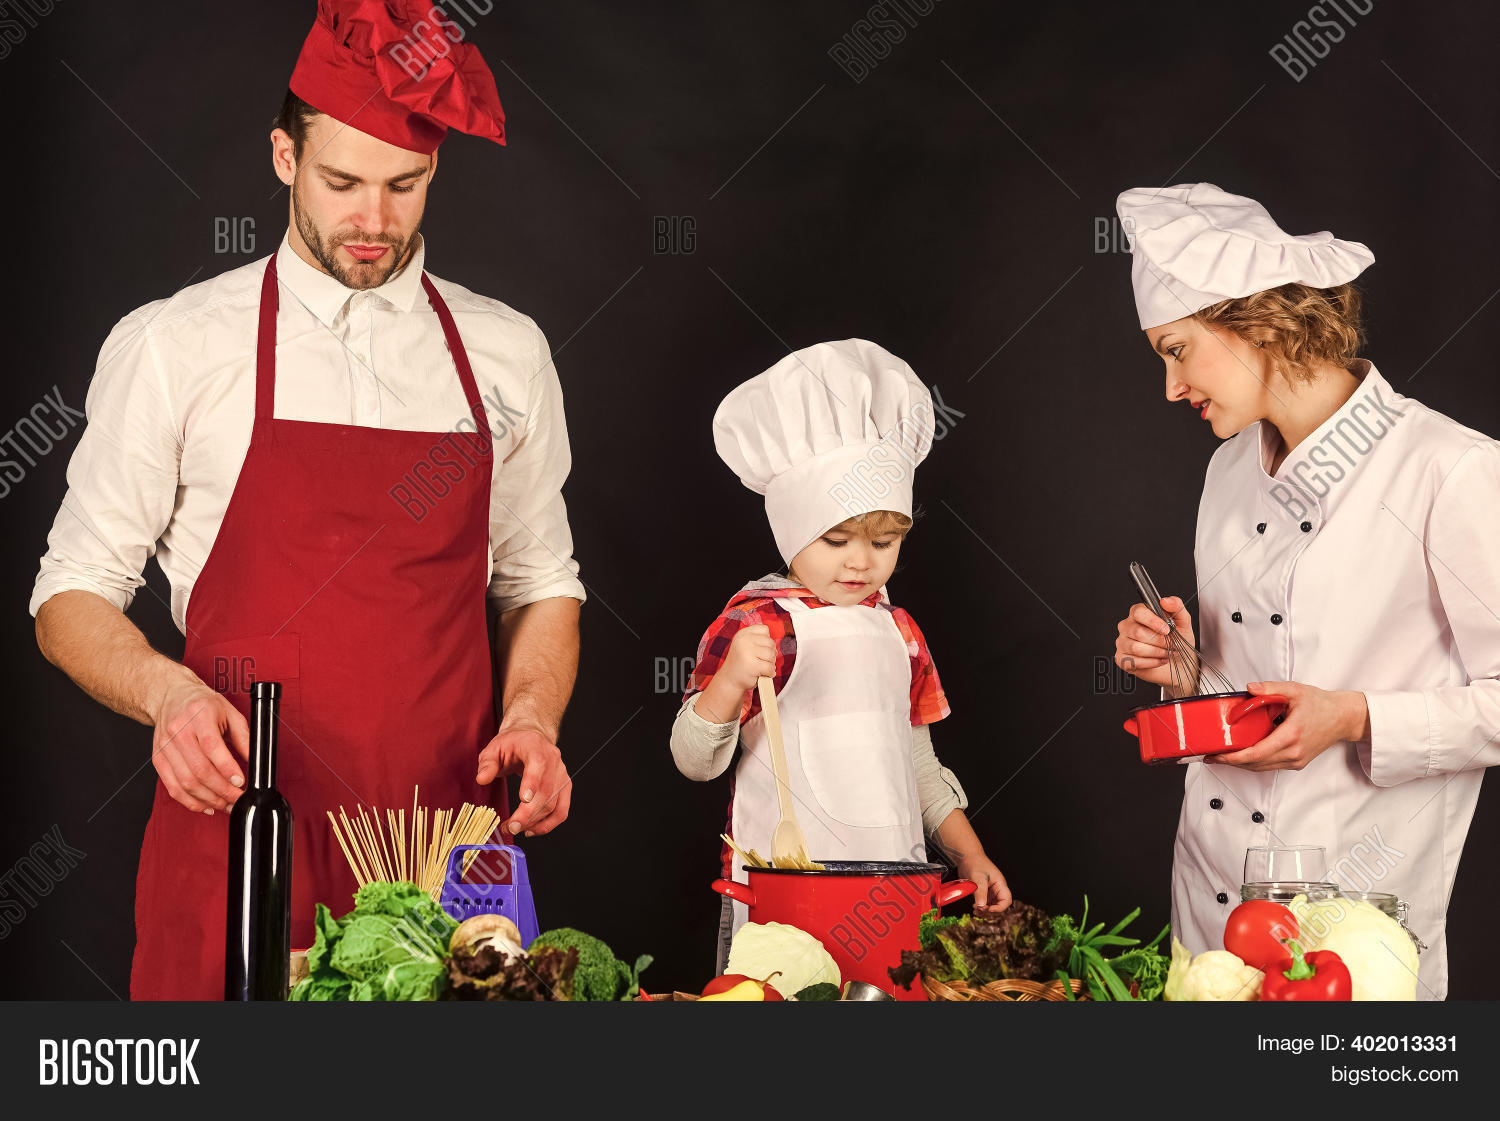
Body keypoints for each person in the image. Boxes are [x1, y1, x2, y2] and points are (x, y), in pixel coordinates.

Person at [30, 0, 585, 999]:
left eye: (402, 184)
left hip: (443, 862)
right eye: (341, 182)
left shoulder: (506, 351)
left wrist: (535, 719)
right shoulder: (179, 344)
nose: (371, 220)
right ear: (285, 158)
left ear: (434, 172)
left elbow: (541, 578)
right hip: (242, 836)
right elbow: (68, 594)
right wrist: (169, 696)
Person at [1111, 182, 1500, 999]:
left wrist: (1355, 715)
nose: (1171, 388)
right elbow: (1254, 688)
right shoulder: (1225, 469)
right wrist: (1187, 674)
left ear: (1256, 322)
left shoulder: (1449, 468)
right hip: (1211, 909)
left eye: (1177, 350)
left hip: (1354, 925)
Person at [671, 339, 1010, 966]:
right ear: (792, 528)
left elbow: (921, 771)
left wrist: (970, 855)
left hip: (896, 898)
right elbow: (694, 761)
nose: (861, 561)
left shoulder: (900, 631)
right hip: (782, 898)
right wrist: (727, 686)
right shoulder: (759, 622)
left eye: (884, 542)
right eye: (836, 540)